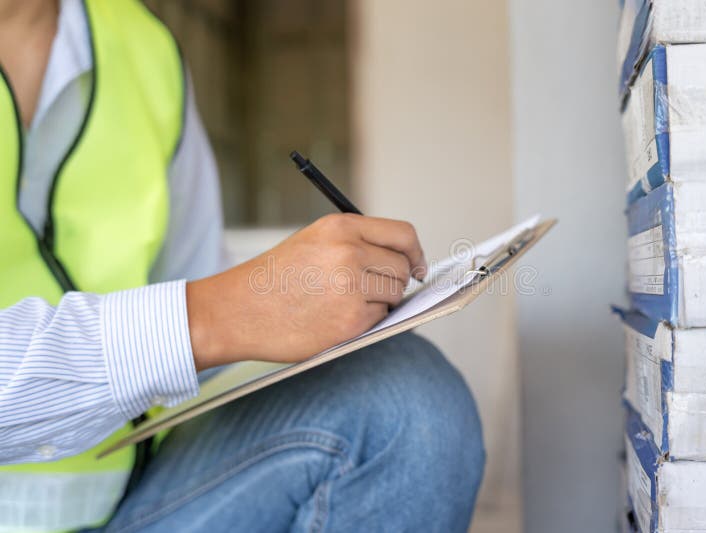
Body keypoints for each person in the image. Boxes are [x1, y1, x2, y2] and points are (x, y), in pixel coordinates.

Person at [0, 0, 485, 531]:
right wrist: (220, 314)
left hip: (138, 499)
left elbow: (199, 313)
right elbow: (209, 318)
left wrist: (301, 318)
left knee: (406, 398)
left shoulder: (142, 45)